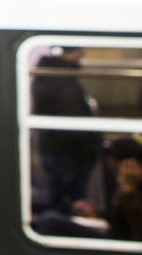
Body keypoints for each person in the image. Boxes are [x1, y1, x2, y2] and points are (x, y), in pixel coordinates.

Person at [32, 46, 100, 214]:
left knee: (59, 198)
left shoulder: (47, 76)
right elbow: (73, 125)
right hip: (71, 155)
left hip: (54, 149)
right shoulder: (64, 81)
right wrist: (90, 148)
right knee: (73, 203)